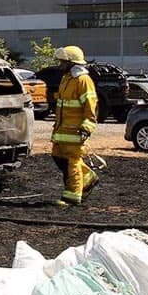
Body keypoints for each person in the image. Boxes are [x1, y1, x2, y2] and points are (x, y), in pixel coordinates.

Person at [50, 46, 99, 205]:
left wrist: (87, 127)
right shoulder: (67, 78)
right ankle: (88, 177)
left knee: (72, 162)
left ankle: (72, 196)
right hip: (62, 130)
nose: (60, 65)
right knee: (58, 157)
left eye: (62, 62)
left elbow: (91, 106)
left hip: (75, 131)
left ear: (71, 63)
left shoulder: (83, 80)